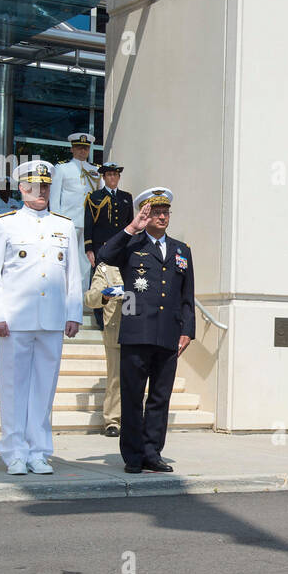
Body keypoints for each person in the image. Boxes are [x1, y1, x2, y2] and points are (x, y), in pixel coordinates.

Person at [0, 161, 83, 475]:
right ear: (23, 189)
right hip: (16, 320)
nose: (41, 192)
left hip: (52, 320)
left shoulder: (64, 225)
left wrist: (74, 313)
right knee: (14, 387)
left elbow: (73, 275)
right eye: (35, 186)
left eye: (46, 186)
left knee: (44, 388)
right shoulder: (5, 224)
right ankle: (14, 452)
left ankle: (39, 451)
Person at [96, 188, 196, 473]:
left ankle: (153, 452)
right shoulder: (132, 244)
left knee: (160, 397)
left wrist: (187, 330)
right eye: (155, 212)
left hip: (167, 333)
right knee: (132, 395)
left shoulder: (181, 250)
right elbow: (105, 254)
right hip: (136, 331)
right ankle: (133, 456)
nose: (162, 217)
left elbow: (187, 294)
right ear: (144, 214)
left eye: (165, 213)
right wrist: (130, 227)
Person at [50, 132, 100, 289]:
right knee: (65, 256)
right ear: (72, 149)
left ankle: (83, 291)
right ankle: (64, 290)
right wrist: (56, 220)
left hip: (88, 221)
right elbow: (54, 197)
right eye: (79, 147)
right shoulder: (62, 168)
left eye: (85, 148)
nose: (82, 151)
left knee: (85, 259)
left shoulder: (96, 170)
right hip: (68, 220)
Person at [84, 260, 125, 436]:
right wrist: (105, 294)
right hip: (117, 329)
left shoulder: (147, 261)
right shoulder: (106, 268)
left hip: (144, 328)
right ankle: (113, 421)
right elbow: (90, 299)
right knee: (116, 376)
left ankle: (135, 419)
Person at [83, 161, 134, 270]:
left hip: (122, 247)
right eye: (109, 175)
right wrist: (89, 248)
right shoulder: (94, 196)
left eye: (115, 174)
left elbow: (130, 223)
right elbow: (88, 223)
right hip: (101, 246)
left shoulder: (126, 197)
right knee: (100, 279)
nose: (112, 177)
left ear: (119, 177)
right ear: (104, 177)